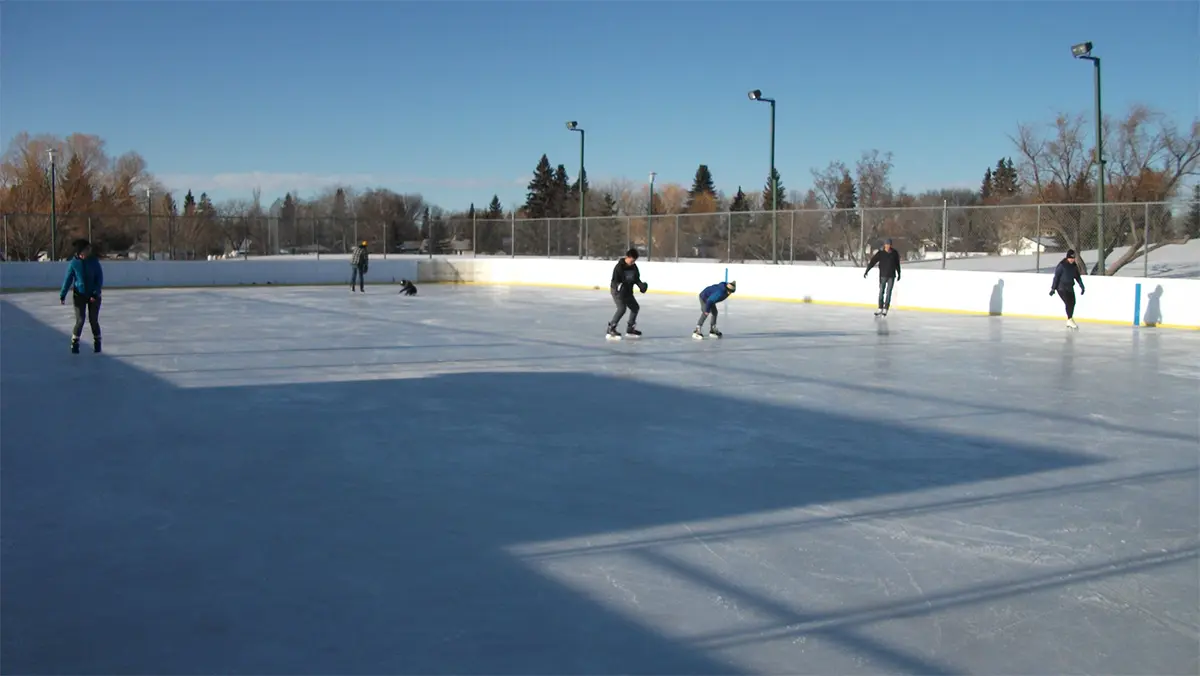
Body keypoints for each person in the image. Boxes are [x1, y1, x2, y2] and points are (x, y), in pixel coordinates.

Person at [59, 238, 104, 354]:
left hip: (94, 296)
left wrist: (95, 293)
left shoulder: (94, 262)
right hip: (79, 295)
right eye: (83, 252)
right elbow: (68, 280)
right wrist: (63, 294)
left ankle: (97, 343)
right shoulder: (74, 264)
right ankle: (75, 343)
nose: (85, 253)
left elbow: (99, 279)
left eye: (87, 251)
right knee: (80, 320)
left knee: (93, 320)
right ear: (78, 253)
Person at [606, 248, 647, 340]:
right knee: (622, 308)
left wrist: (641, 286)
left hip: (627, 291)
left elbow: (636, 279)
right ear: (627, 257)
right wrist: (620, 291)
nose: (632, 263)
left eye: (634, 261)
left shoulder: (634, 267)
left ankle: (630, 328)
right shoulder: (619, 267)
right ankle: (611, 328)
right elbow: (616, 282)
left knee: (635, 307)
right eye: (632, 261)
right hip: (617, 290)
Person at [864, 238, 901, 316]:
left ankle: (885, 309)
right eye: (886, 244)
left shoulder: (894, 253)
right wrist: (867, 270)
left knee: (888, 293)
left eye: (889, 244)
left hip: (891, 276)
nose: (888, 246)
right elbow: (873, 262)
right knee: (881, 292)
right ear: (884, 245)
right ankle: (880, 307)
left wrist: (899, 273)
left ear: (891, 245)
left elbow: (897, 264)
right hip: (883, 276)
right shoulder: (881, 253)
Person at [1050, 249, 1086, 329]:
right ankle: (1070, 320)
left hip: (1070, 287)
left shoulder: (1074, 266)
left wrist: (1082, 286)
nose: (1072, 260)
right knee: (1068, 303)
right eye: (1070, 258)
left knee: (1073, 302)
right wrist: (1053, 288)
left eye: (1073, 258)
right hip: (1061, 288)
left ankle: (1069, 319)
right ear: (1067, 257)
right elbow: (1056, 277)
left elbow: (1077, 277)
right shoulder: (1062, 265)